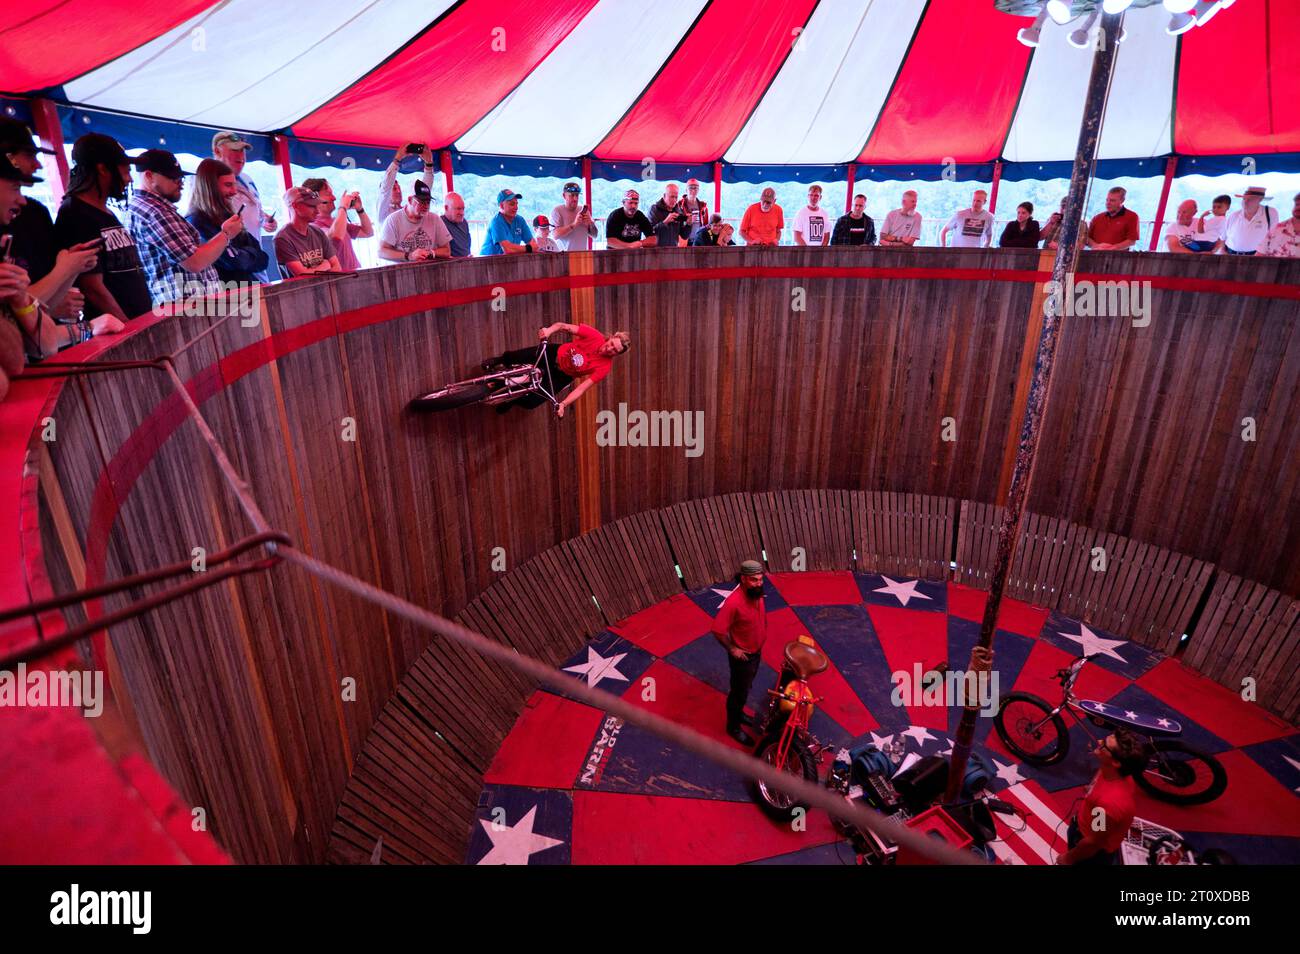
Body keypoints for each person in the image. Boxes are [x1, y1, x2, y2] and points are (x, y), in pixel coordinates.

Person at [2, 155, 122, 362]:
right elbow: (23, 350)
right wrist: (65, 269)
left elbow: (43, 343)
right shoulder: (74, 211)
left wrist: (72, 268)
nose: (22, 200)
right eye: (15, 188)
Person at [0, 118, 98, 320]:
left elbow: (38, 302)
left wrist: (72, 265)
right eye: (29, 155)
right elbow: (13, 313)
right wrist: (66, 268)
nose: (37, 165)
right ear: (7, 157)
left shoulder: (37, 212)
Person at [53, 133, 154, 322]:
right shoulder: (76, 214)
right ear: (103, 169)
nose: (130, 180)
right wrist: (128, 328)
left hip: (138, 321)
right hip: (116, 328)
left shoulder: (104, 211)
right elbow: (92, 287)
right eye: (125, 171)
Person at [127, 149, 241, 306]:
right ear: (149, 176)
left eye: (180, 177)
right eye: (173, 177)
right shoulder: (156, 213)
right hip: (187, 309)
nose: (180, 182)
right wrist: (226, 234)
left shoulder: (146, 208)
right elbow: (195, 262)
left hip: (188, 306)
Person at [480, 322, 630, 416]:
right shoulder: (594, 335)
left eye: (615, 350)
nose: (610, 349)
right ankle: (498, 360)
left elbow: (581, 389)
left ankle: (511, 400)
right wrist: (549, 331)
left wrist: (563, 404)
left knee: (531, 403)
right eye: (612, 344)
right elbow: (563, 326)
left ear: (617, 354)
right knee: (516, 356)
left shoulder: (605, 367)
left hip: (562, 376)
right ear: (611, 338)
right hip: (554, 354)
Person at [1056, 730, 1147, 866]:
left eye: (1104, 745)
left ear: (1116, 762)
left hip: (1089, 849)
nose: (1099, 742)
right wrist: (1092, 789)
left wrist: (1069, 858)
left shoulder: (1107, 805)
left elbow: (1093, 842)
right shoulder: (1113, 772)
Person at [711, 560, 768, 746]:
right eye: (754, 580)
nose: (759, 583)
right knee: (738, 693)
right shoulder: (733, 603)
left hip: (756, 652)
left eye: (760, 579)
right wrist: (732, 648)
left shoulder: (756, 593)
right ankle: (733, 727)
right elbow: (717, 630)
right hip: (743, 657)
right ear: (743, 579)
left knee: (745, 687)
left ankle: (740, 714)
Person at [186, 159, 270, 284]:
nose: (234, 191)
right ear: (210, 187)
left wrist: (241, 254)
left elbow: (263, 259)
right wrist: (248, 253)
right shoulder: (196, 222)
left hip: (246, 290)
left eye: (234, 185)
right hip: (224, 293)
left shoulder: (228, 216)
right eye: (228, 185)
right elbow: (234, 261)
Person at [212, 131, 274, 281]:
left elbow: (256, 212)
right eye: (234, 150)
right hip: (233, 270)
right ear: (217, 151)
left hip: (256, 260)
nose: (240, 155)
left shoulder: (248, 180)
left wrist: (265, 221)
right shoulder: (206, 184)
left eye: (242, 150)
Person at [303, 177, 372, 271]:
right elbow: (335, 237)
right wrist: (343, 207)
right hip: (339, 278)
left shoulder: (336, 221)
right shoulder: (312, 226)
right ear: (314, 198)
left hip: (355, 274)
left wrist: (360, 209)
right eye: (328, 194)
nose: (334, 198)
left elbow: (368, 232)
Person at [379, 180, 452, 263]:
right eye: (421, 202)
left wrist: (429, 253)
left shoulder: (435, 219)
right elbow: (381, 251)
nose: (426, 206)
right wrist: (409, 256)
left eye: (428, 202)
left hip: (430, 268)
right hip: (403, 269)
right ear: (410, 200)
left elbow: (447, 251)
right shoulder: (393, 220)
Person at [274, 187, 341, 276]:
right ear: (295, 206)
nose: (317, 211)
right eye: (311, 206)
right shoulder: (283, 238)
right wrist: (325, 265)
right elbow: (303, 276)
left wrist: (314, 271)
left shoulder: (318, 232)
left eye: (316, 206)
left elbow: (337, 267)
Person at [377, 143, 436, 223]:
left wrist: (429, 163)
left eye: (399, 188)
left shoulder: (407, 212)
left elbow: (424, 193)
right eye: (394, 188)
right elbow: (386, 187)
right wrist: (397, 159)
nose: (398, 191)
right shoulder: (383, 214)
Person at [1214, 187, 1276, 256]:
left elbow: (1274, 237)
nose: (1245, 202)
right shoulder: (1234, 216)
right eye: (1244, 198)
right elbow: (1222, 238)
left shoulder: (1269, 213)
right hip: (1231, 255)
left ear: (1259, 199)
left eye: (1250, 199)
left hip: (1257, 256)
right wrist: (1223, 252)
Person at [480, 188, 537, 256]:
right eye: (512, 204)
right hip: (487, 261)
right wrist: (528, 248)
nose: (516, 207)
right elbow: (507, 249)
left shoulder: (520, 220)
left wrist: (518, 248)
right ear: (501, 206)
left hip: (509, 260)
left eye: (516, 204)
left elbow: (534, 245)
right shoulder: (496, 222)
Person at [551, 182, 597, 252]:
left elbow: (595, 235)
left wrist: (591, 224)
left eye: (577, 195)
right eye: (572, 195)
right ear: (564, 196)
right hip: (564, 255)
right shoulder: (557, 211)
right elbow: (555, 235)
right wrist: (574, 225)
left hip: (583, 255)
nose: (575, 198)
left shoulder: (583, 210)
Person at [648, 183, 691, 248]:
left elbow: (684, 236)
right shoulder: (654, 209)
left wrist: (688, 225)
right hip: (656, 250)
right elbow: (649, 232)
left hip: (673, 250)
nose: (674, 200)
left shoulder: (678, 211)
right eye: (671, 197)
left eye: (676, 197)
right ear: (664, 196)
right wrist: (665, 222)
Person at [1260, 192, 1300, 259]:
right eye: (1297, 204)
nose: (1298, 207)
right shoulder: (1277, 228)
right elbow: (1259, 254)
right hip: (1272, 266)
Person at [442, 192, 471, 258]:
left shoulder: (464, 223)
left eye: (463, 209)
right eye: (458, 209)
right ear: (446, 208)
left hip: (466, 261)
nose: (462, 213)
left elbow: (467, 250)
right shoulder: (440, 223)